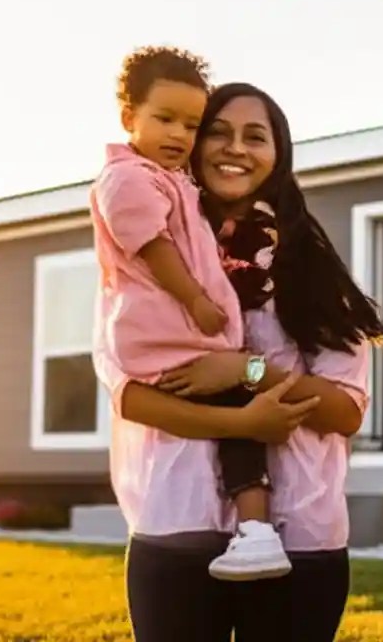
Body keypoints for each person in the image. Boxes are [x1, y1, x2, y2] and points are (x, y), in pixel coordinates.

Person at [94, 81, 383, 641]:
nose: (235, 149)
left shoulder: (312, 271)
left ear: (279, 156)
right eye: (218, 133)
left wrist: (246, 371)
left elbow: (345, 412)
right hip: (179, 518)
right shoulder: (148, 264)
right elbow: (129, 394)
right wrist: (241, 422)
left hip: (297, 531)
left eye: (256, 137)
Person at [90, 45, 290, 581]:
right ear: (129, 117)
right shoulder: (129, 178)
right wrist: (198, 301)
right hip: (171, 336)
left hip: (190, 339)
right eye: (164, 119)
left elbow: (335, 403)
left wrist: (243, 368)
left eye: (190, 124)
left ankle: (255, 530)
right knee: (241, 413)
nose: (179, 135)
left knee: (239, 399)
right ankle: (257, 529)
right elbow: (155, 246)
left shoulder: (170, 181)